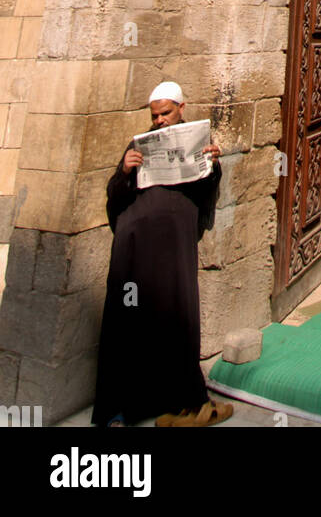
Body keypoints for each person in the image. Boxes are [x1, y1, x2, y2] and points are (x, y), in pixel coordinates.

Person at [90, 81, 234, 428]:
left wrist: (212, 163)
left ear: (181, 108)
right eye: (154, 115)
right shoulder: (139, 144)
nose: (159, 121)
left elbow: (206, 188)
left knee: (177, 320)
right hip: (135, 249)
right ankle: (119, 411)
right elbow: (114, 193)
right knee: (126, 323)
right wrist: (125, 170)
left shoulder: (195, 142)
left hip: (173, 249)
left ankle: (183, 403)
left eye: (165, 113)